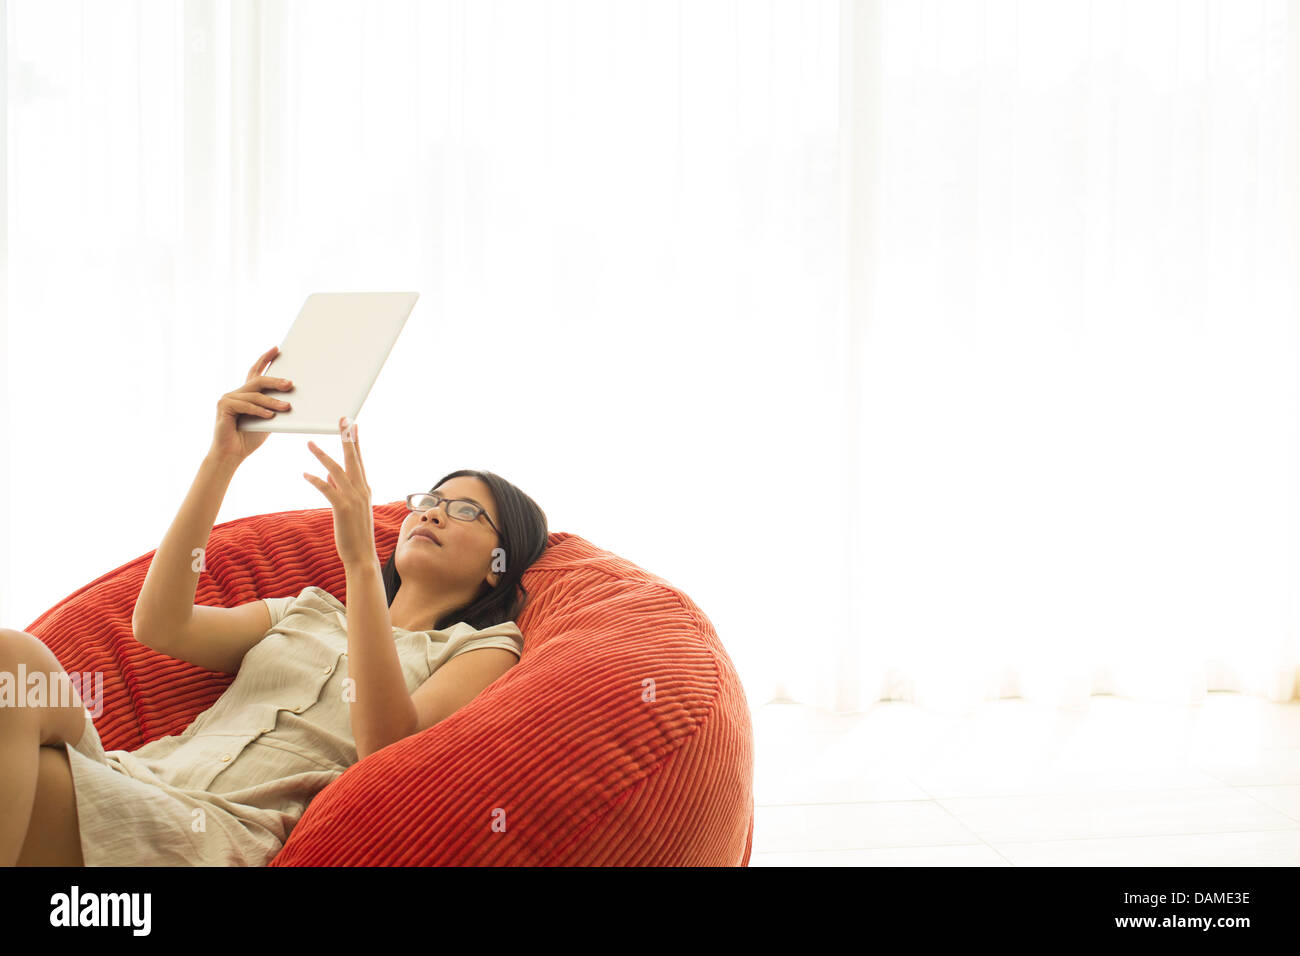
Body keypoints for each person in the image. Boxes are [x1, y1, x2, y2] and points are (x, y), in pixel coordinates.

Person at [0, 345, 548, 866]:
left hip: (213, 831)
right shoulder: (307, 611)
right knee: (15, 661)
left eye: (465, 512)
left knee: (39, 770)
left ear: (497, 563)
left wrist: (359, 563)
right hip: (132, 775)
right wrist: (222, 460)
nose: (432, 513)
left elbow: (386, 747)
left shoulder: (483, 647)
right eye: (428, 501)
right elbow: (160, 625)